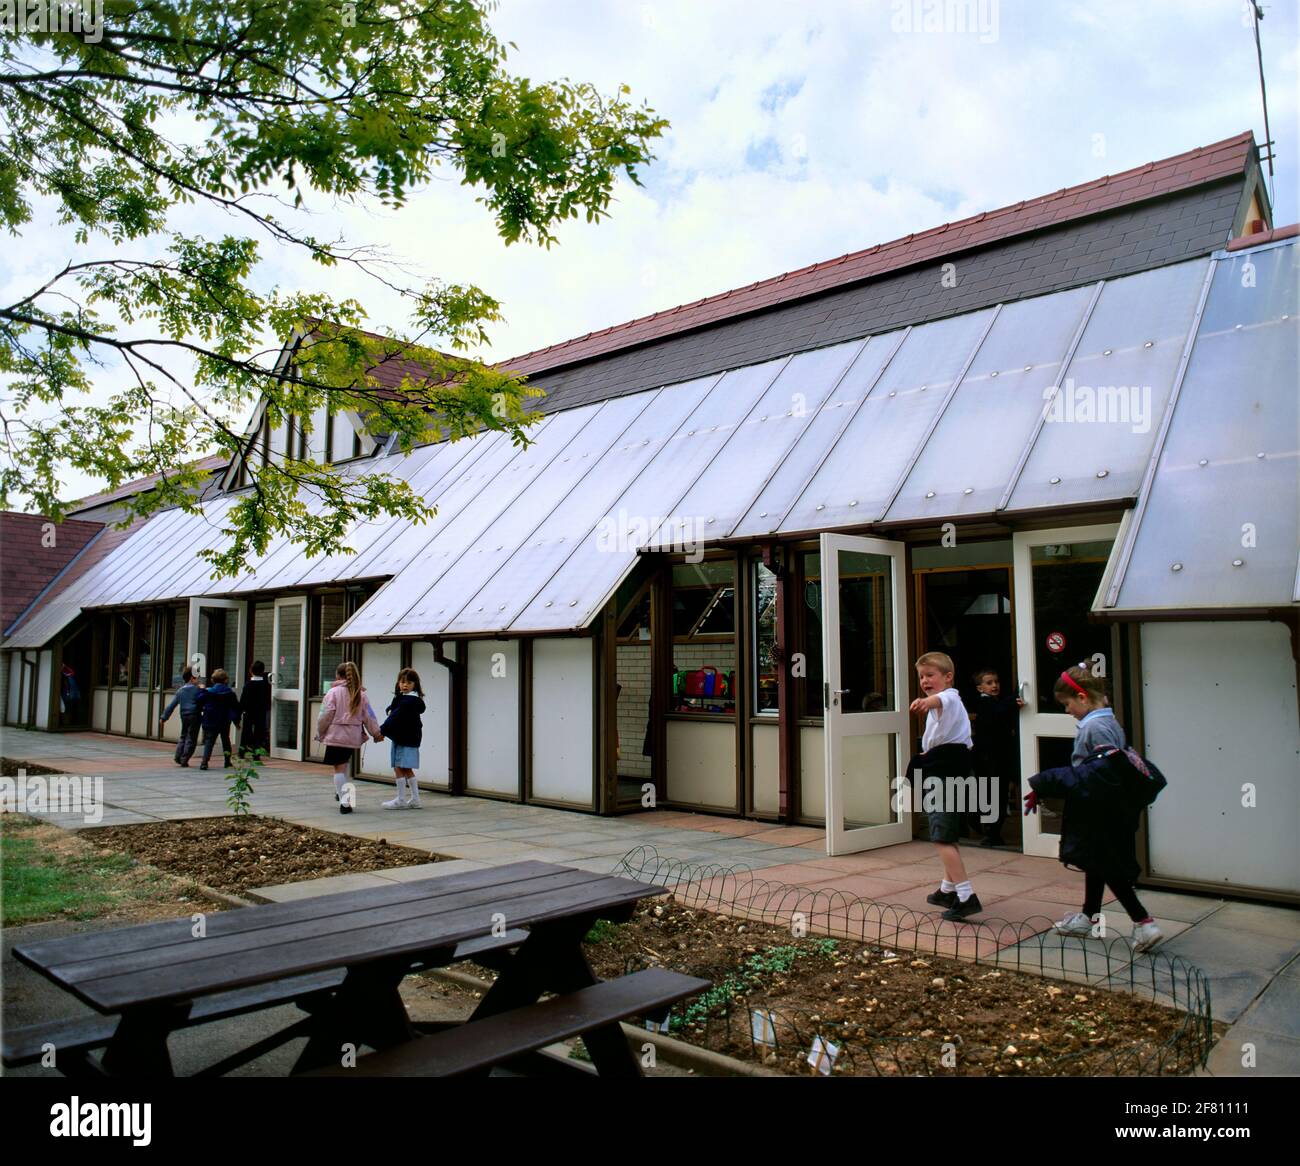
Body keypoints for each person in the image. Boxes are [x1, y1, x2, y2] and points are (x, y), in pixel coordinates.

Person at [1026, 663, 1163, 953]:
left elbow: (1103, 772)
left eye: (1067, 704)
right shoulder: (1108, 720)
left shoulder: (1095, 726)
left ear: (1083, 698)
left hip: (1098, 808)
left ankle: (1143, 922)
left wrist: (1051, 784)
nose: (1067, 711)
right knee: (1095, 859)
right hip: (1105, 807)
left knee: (1105, 863)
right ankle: (1089, 917)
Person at [907, 651, 982, 921]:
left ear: (948, 677)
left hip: (945, 772)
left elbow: (940, 699)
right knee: (947, 834)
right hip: (952, 767)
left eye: (930, 675)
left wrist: (925, 701)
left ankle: (966, 896)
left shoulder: (949, 697)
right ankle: (948, 889)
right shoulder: (947, 704)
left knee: (941, 837)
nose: (925, 680)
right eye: (921, 677)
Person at [316, 660, 382, 814]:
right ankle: (344, 796)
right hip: (352, 737)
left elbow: (324, 715)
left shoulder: (332, 693)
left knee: (338, 769)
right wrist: (376, 733)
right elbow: (369, 716)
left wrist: (320, 732)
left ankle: (345, 803)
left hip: (335, 735)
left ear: (338, 676)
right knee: (344, 766)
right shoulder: (361, 694)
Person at [968, 667, 1023, 847]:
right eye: (989, 683)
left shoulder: (994, 702)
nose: (994, 685)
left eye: (996, 682)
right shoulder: (985, 704)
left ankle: (990, 829)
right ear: (980, 688)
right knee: (993, 794)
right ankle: (990, 831)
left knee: (995, 793)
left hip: (995, 757)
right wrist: (1015, 699)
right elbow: (998, 713)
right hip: (989, 758)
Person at [380, 668, 425, 810]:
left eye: (409, 682)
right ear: (398, 683)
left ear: (415, 684)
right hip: (411, 738)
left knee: (398, 767)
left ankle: (401, 799)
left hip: (403, 738)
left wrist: (381, 731)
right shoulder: (411, 699)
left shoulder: (407, 701)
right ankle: (415, 799)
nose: (405, 685)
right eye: (402, 682)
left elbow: (395, 717)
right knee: (407, 768)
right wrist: (391, 707)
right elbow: (396, 710)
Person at [195, 669, 240, 770]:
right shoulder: (230, 693)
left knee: (209, 741)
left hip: (210, 719)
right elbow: (235, 707)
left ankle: (204, 761)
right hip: (224, 720)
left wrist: (201, 689)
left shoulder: (209, 692)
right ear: (225, 680)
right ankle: (227, 761)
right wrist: (236, 721)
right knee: (226, 740)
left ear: (212, 680)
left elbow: (198, 700)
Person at [160, 668, 202, 766]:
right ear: (192, 678)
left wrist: (164, 717)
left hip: (184, 715)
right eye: (197, 678)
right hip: (195, 715)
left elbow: (171, 705)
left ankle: (178, 756)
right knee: (191, 738)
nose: (198, 680)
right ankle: (185, 758)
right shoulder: (197, 690)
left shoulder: (180, 691)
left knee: (183, 736)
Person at [238, 660, 272, 759]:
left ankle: (242, 751)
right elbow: (267, 699)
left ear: (250, 671)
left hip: (249, 712)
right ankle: (256, 754)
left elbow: (243, 700)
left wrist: (239, 712)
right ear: (262, 671)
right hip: (261, 712)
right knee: (259, 732)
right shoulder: (265, 685)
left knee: (246, 731)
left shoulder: (248, 685)